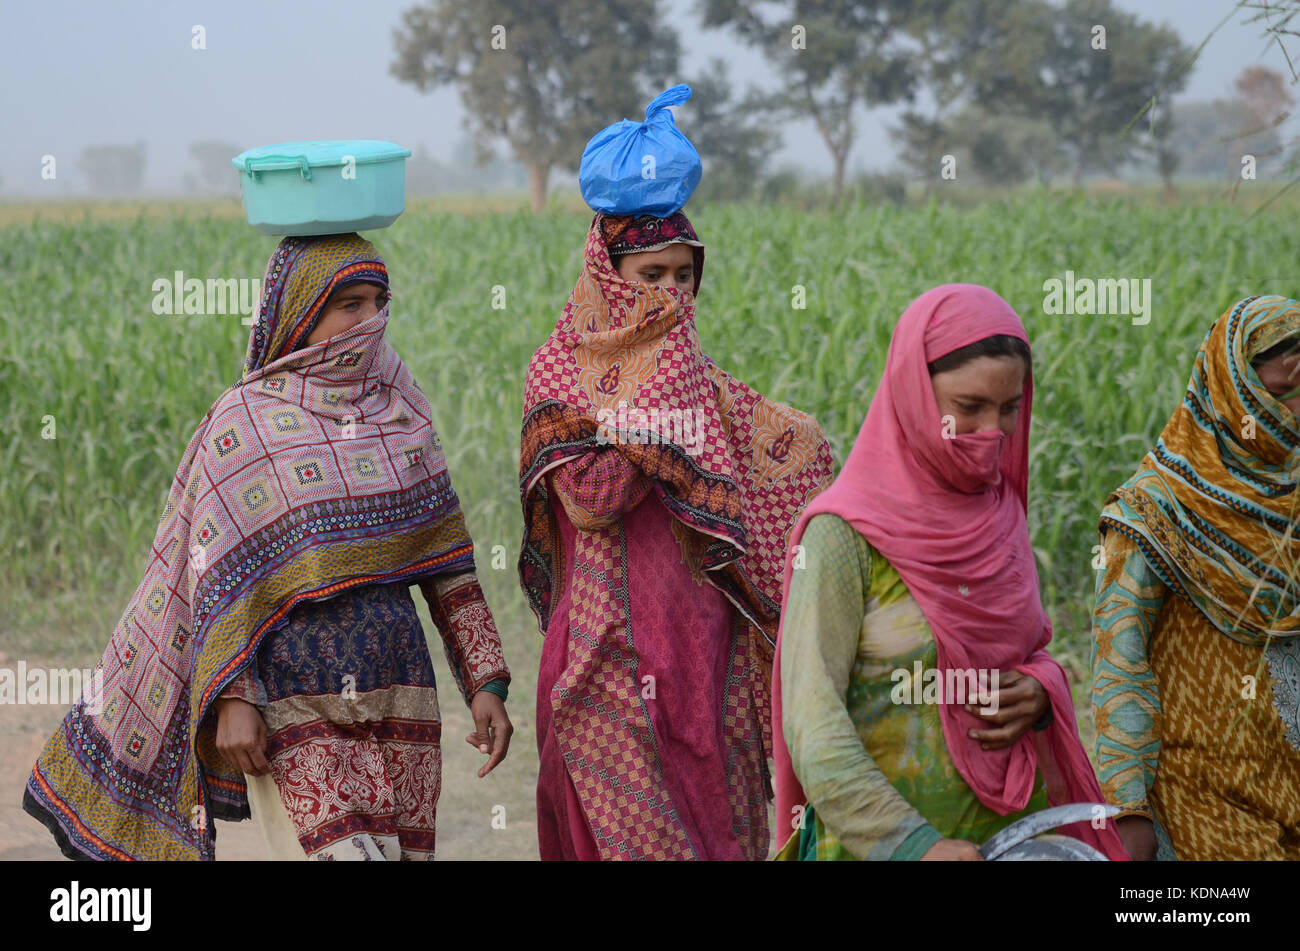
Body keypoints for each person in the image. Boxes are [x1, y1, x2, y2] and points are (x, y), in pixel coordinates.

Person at [25, 233, 512, 861]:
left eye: (377, 303)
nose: (369, 322)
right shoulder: (247, 421)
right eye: (349, 306)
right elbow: (216, 579)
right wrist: (232, 699)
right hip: (294, 701)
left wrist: (485, 683)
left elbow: (449, 569)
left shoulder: (401, 411)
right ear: (300, 316)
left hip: (403, 696)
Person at [772, 283, 1127, 861]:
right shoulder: (842, 535)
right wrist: (916, 847)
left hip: (1017, 835)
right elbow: (812, 721)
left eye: (1009, 408)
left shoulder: (999, 509)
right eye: (969, 408)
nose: (992, 432)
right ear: (914, 393)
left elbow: (1021, 650)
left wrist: (1041, 687)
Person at [518, 210, 833, 860]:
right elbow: (589, 496)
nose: (671, 293)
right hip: (600, 656)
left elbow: (796, 452)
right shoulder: (560, 371)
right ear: (610, 280)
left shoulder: (699, 379)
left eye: (684, 275)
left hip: (702, 653)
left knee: (718, 825)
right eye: (651, 274)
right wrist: (664, 396)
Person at [1091, 294, 1300, 861]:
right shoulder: (1154, 511)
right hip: (1199, 794)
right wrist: (1126, 806)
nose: (1291, 416)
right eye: (1276, 398)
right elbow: (1120, 658)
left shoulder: (1293, 501)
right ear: (1231, 394)